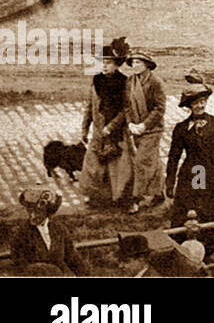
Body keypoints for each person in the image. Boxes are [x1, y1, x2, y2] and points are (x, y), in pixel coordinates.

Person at [165, 81, 214, 257]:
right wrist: (170, 181)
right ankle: (190, 247)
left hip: (213, 171)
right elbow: (174, 156)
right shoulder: (182, 128)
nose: (200, 105)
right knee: (195, 206)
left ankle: (211, 242)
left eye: (203, 101)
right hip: (195, 171)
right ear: (189, 105)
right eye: (196, 102)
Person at [80, 38, 135, 208]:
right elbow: (90, 105)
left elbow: (126, 110)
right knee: (94, 166)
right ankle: (96, 197)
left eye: (109, 63)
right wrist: (84, 128)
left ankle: (122, 199)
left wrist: (111, 128)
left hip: (117, 133)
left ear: (117, 64)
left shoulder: (124, 83)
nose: (104, 66)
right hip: (98, 131)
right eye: (102, 62)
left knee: (120, 168)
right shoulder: (97, 81)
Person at [124, 50, 167, 213]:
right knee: (153, 161)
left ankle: (136, 198)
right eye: (133, 62)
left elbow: (159, 108)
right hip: (135, 129)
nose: (135, 65)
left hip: (152, 129)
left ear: (147, 65)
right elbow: (127, 105)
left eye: (139, 62)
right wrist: (131, 124)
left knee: (141, 161)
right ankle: (159, 193)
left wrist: (145, 125)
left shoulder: (156, 82)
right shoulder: (130, 82)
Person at [11, 187, 86, 275]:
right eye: (29, 211)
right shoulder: (21, 233)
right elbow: (20, 265)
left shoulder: (59, 229)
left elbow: (72, 258)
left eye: (37, 212)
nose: (32, 216)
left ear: (48, 212)